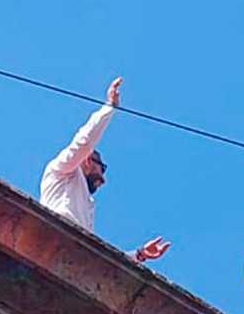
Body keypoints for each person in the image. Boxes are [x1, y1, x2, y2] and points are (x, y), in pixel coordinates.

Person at [38, 77, 170, 263]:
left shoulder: (85, 205)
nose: (103, 179)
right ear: (87, 160)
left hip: (72, 256)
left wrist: (139, 255)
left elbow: (97, 257)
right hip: (53, 243)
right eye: (102, 168)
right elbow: (84, 141)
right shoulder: (59, 171)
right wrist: (109, 107)